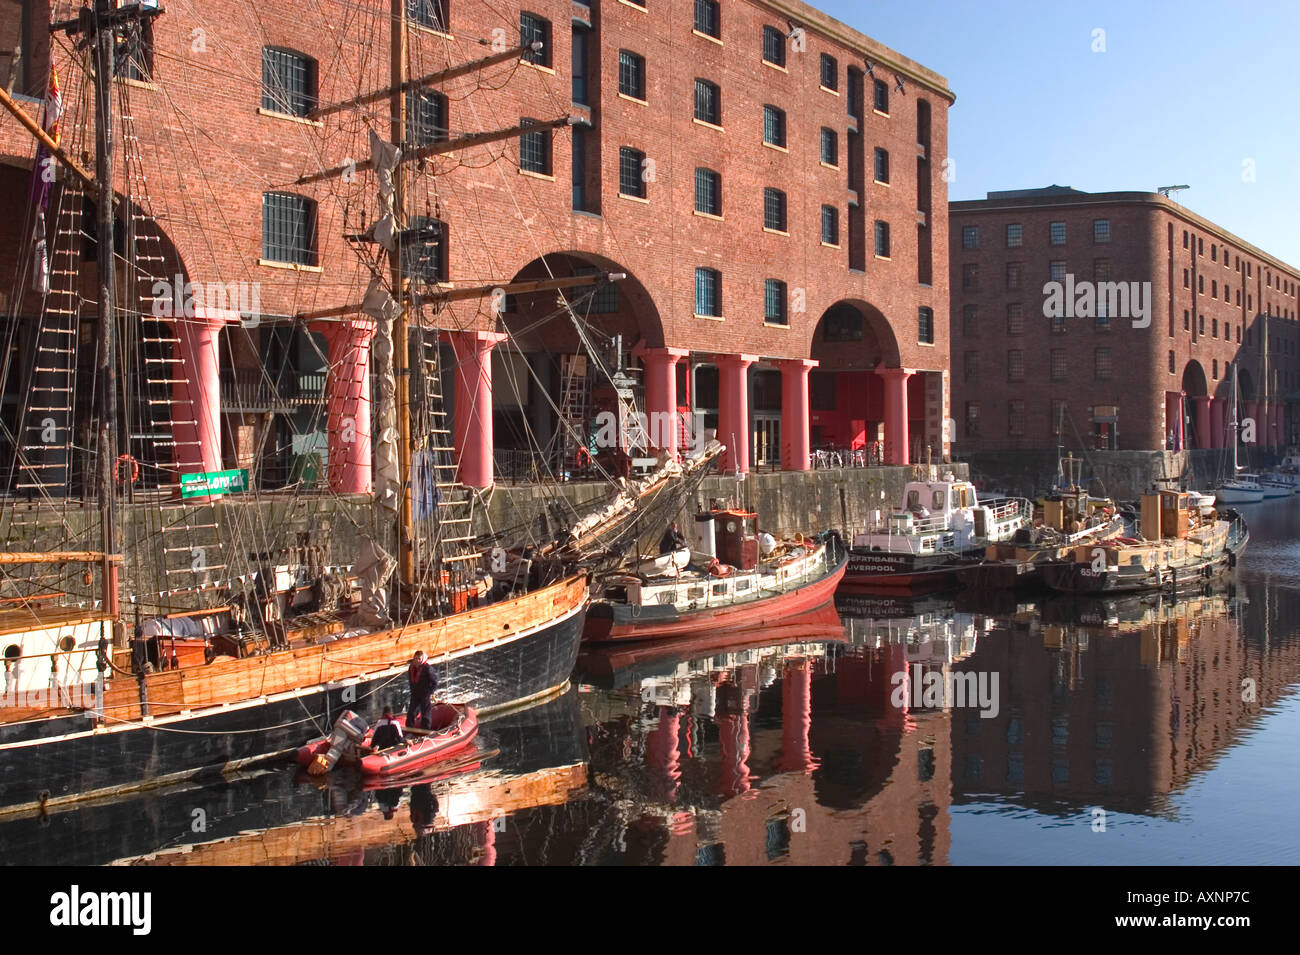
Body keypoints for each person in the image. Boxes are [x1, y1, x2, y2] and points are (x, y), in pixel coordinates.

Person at [406, 651, 439, 730]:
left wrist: (430, 692)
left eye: (419, 659)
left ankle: (426, 730)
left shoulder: (427, 668)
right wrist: (412, 689)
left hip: (425, 694)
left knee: (425, 714)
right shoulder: (411, 668)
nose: (417, 661)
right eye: (415, 658)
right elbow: (411, 680)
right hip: (415, 694)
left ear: (422, 659)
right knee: (411, 712)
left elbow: (435, 681)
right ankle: (409, 729)